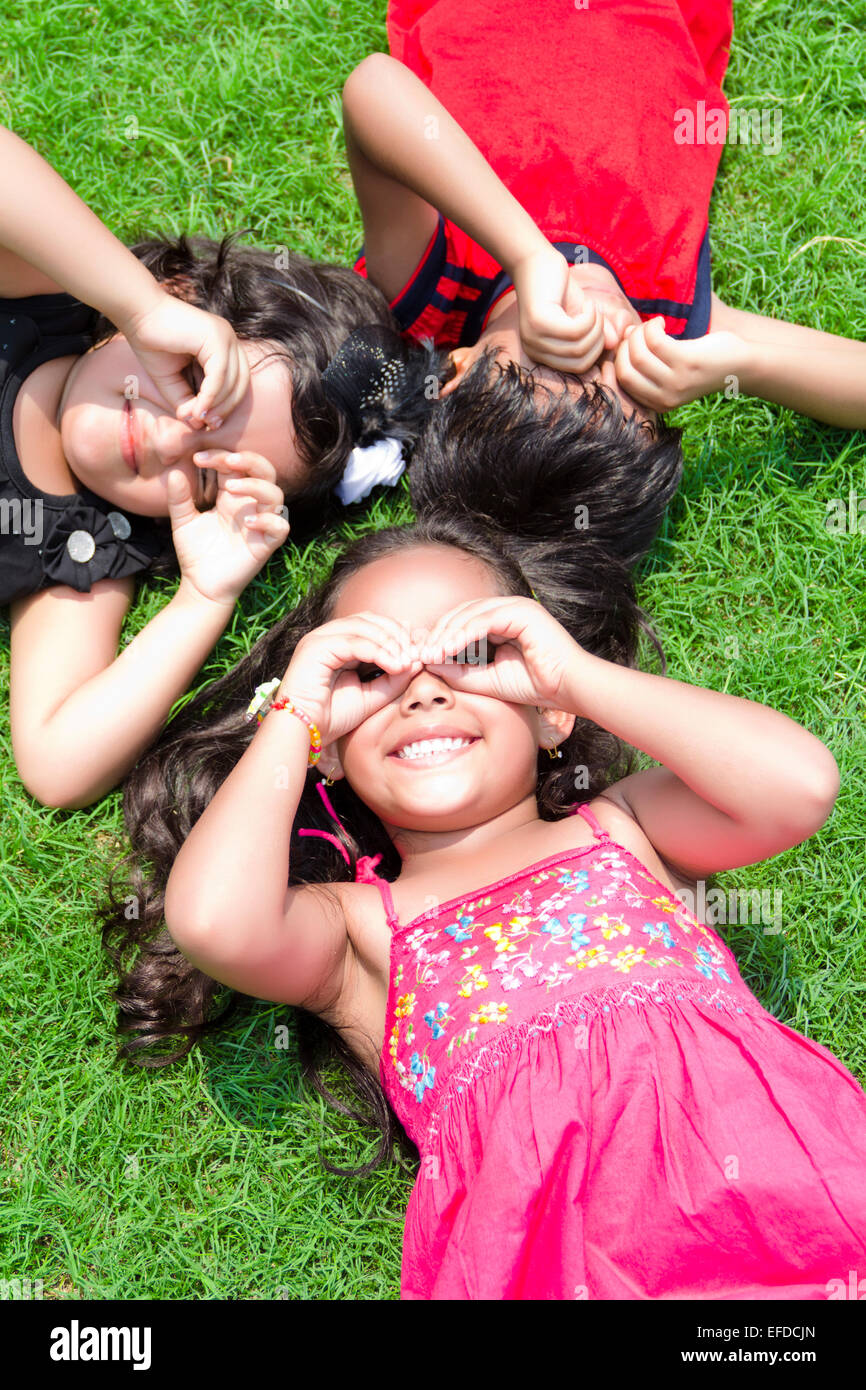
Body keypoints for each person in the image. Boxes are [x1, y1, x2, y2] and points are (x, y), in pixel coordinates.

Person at [99, 369, 866, 1300]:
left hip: (791, 1211)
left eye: (473, 656)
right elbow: (218, 922)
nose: (424, 688)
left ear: (547, 719)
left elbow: (797, 787)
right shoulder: (361, 933)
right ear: (328, 758)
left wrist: (574, 674)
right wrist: (295, 715)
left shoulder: (619, 831)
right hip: (553, 1260)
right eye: (370, 669)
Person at [0, 126, 446, 808]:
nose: (166, 438)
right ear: (181, 297)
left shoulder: (82, 547)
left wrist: (204, 597)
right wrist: (137, 303)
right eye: (195, 381)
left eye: (205, 474)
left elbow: (58, 763)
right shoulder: (41, 289)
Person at [344, 0, 866, 430]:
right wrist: (748, 366)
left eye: (553, 356)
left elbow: (373, 88)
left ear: (460, 368)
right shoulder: (674, 319)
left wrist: (527, 257)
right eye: (613, 366)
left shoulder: (437, 290)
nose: (594, 329)